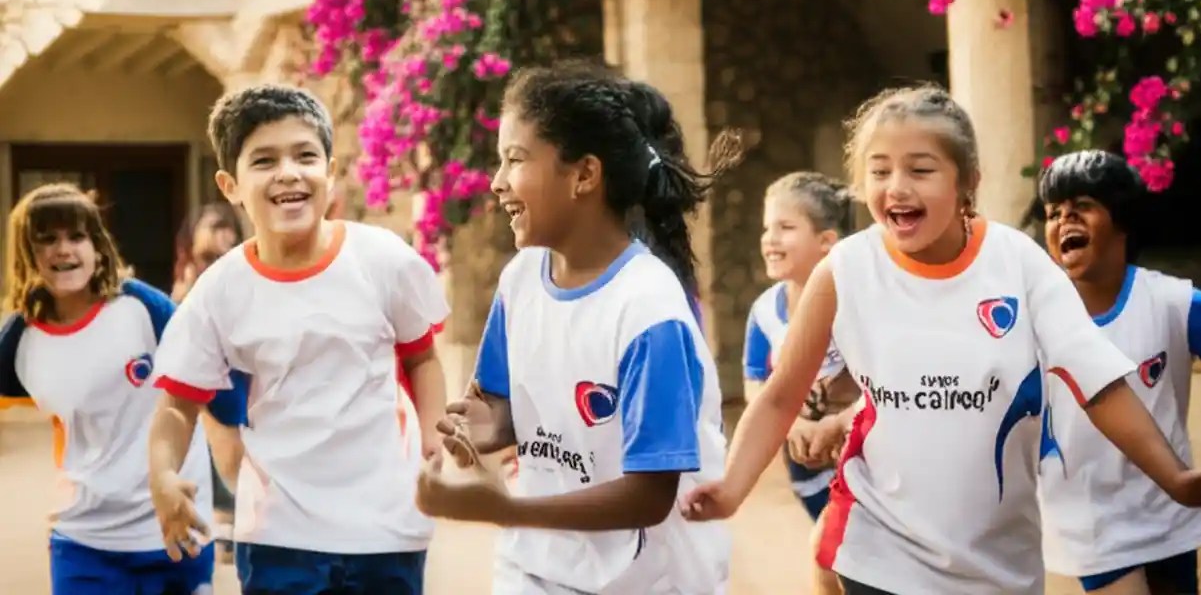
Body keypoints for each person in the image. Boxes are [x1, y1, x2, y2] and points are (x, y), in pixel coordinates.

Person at [678, 85, 1201, 595]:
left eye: (920, 169)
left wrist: (1175, 478)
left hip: (997, 563)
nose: (896, 187)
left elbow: (1097, 383)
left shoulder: (1019, 264)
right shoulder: (846, 269)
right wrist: (732, 487)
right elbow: (781, 395)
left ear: (967, 181)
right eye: (879, 171)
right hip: (881, 548)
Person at [415, 62, 738, 594]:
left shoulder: (648, 311)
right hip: (538, 571)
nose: (497, 183)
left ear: (584, 175)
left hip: (649, 581)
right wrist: (484, 427)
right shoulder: (521, 280)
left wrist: (505, 508)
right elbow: (504, 405)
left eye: (515, 160)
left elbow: (650, 496)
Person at [146, 84, 450, 595]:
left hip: (387, 530)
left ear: (330, 172)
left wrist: (434, 445)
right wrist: (162, 476)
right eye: (264, 160)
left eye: (305, 156)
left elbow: (422, 359)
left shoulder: (384, 260)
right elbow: (177, 407)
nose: (288, 172)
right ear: (230, 185)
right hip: (278, 535)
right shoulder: (219, 291)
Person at [1037, 150, 1201, 595]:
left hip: (1171, 509)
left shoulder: (1175, 303)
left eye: (1083, 205)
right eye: (1054, 212)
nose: (1064, 217)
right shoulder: (1037, 318)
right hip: (1091, 520)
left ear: (1124, 221)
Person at [0, 183, 241, 595]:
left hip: (175, 531)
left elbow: (225, 395)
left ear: (98, 247)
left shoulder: (145, 308)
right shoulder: (18, 341)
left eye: (77, 236)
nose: (64, 250)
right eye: (47, 239)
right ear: (26, 254)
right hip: (83, 540)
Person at [744, 171, 860, 595]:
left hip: (861, 462)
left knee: (830, 560)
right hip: (804, 466)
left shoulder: (856, 304)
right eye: (766, 228)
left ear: (827, 242)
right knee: (838, 563)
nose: (769, 239)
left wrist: (841, 421)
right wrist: (795, 428)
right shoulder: (764, 312)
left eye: (785, 227)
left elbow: (884, 383)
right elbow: (757, 385)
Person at [172, 201, 248, 565]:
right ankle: (222, 516)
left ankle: (235, 513)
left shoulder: (245, 268)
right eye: (211, 227)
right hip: (205, 369)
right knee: (208, 442)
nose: (220, 236)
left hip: (240, 366)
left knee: (238, 444)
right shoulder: (188, 278)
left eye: (225, 228)